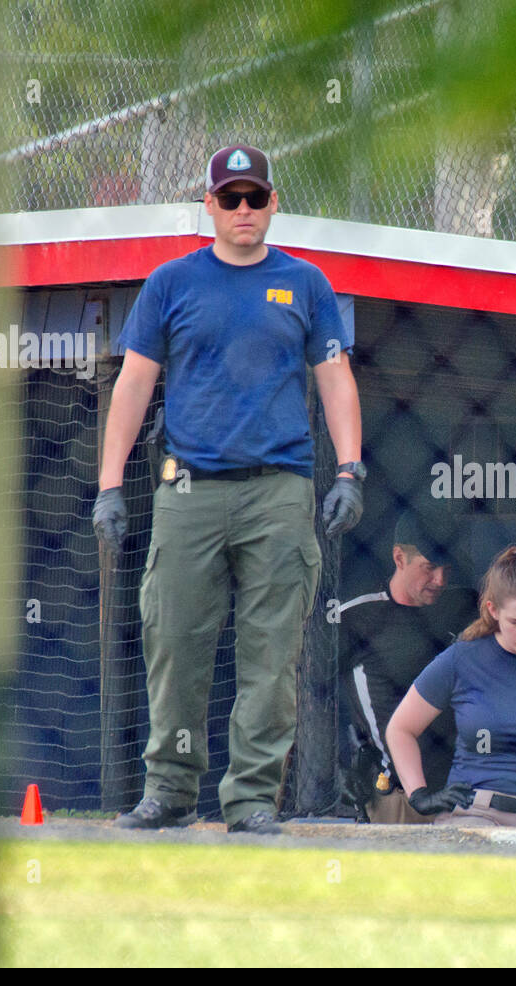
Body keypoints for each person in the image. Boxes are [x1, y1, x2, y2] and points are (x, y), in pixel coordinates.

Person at [92, 144, 364, 835]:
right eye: (230, 198)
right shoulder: (170, 283)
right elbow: (133, 383)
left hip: (279, 489)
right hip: (187, 489)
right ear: (208, 206)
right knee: (175, 640)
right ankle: (170, 790)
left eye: (255, 197)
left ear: (274, 204)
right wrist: (110, 484)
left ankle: (250, 798)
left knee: (271, 653)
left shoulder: (307, 284)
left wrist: (351, 470)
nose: (243, 210)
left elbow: (335, 379)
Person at [384, 547, 516, 828]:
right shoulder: (463, 658)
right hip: (477, 814)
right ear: (493, 610)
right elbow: (401, 728)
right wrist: (419, 795)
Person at [336, 509, 477, 823]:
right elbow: (313, 697)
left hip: (464, 792)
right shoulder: (354, 618)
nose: (439, 579)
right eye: (428, 568)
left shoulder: (464, 608)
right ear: (399, 558)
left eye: (446, 569)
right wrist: (337, 766)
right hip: (396, 794)